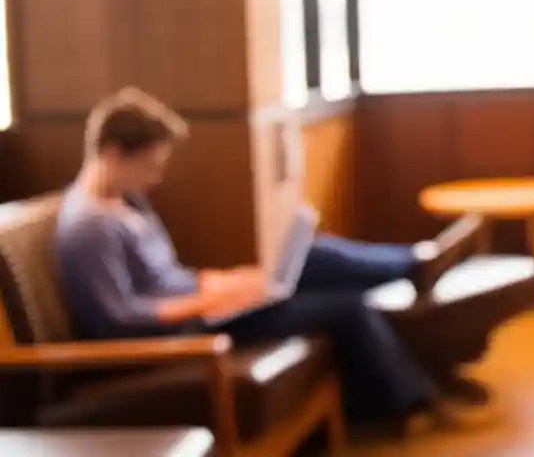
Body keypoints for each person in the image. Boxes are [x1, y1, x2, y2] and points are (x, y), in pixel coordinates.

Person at [54, 88, 489, 427]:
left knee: (308, 255)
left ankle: (415, 263)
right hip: (191, 332)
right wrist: (209, 301)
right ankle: (413, 398)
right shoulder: (88, 226)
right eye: (150, 166)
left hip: (203, 307)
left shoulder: (126, 203)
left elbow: (166, 277)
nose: (156, 178)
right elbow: (121, 319)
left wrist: (225, 281)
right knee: (344, 308)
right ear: (112, 154)